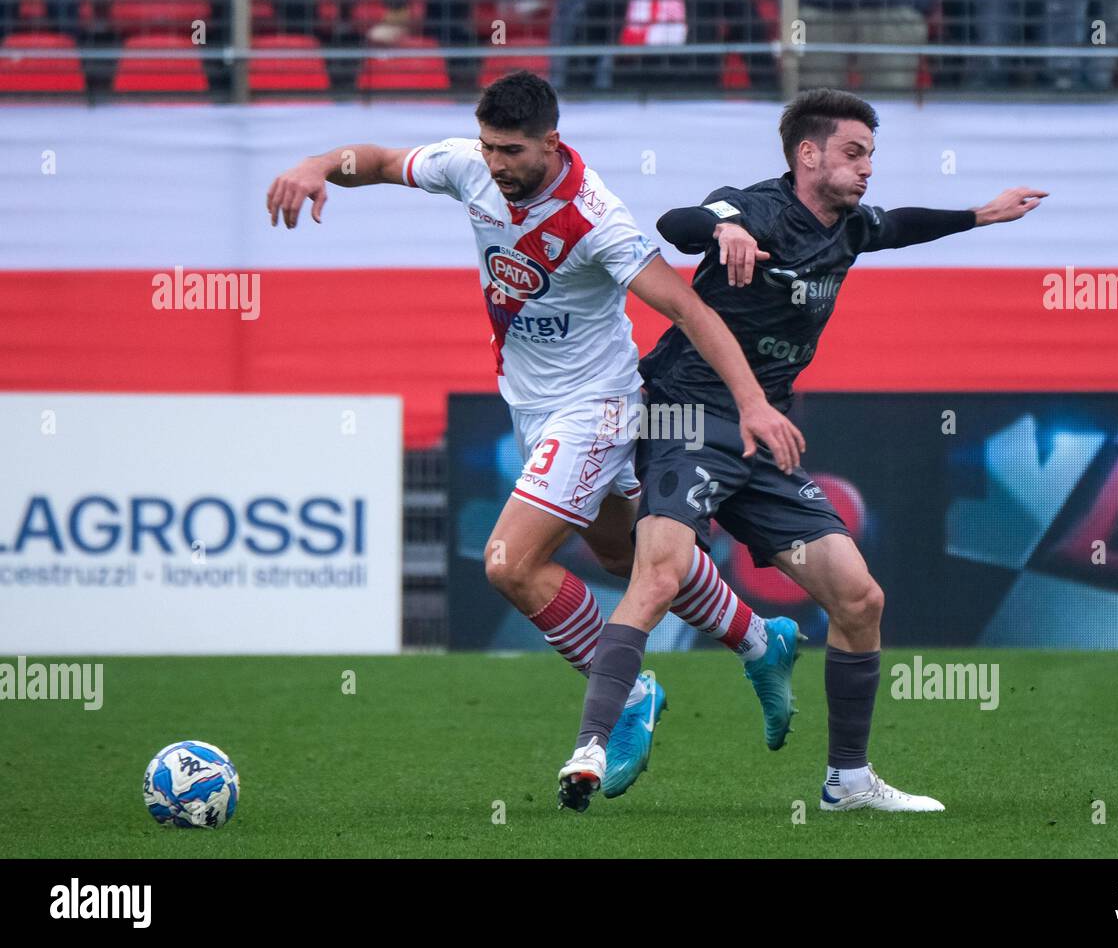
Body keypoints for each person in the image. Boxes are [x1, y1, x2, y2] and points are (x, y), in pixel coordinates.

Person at [265, 71, 805, 800]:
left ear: (552, 142)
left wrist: (752, 402)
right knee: (621, 550)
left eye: (511, 151)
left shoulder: (595, 218)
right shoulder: (470, 166)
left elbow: (688, 310)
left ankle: (630, 694)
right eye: (488, 146)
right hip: (533, 407)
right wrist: (316, 165)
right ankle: (757, 638)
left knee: (507, 562)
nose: (495, 164)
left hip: (599, 405)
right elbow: (386, 163)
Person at [558, 87, 1047, 814]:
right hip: (687, 417)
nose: (867, 168)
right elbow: (679, 221)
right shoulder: (753, 208)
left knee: (859, 596)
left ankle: (847, 782)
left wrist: (982, 213)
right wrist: (722, 228)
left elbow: (902, 225)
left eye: (872, 155)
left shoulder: (850, 228)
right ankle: (594, 741)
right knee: (658, 574)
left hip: (761, 434)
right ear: (807, 154)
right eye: (855, 153)